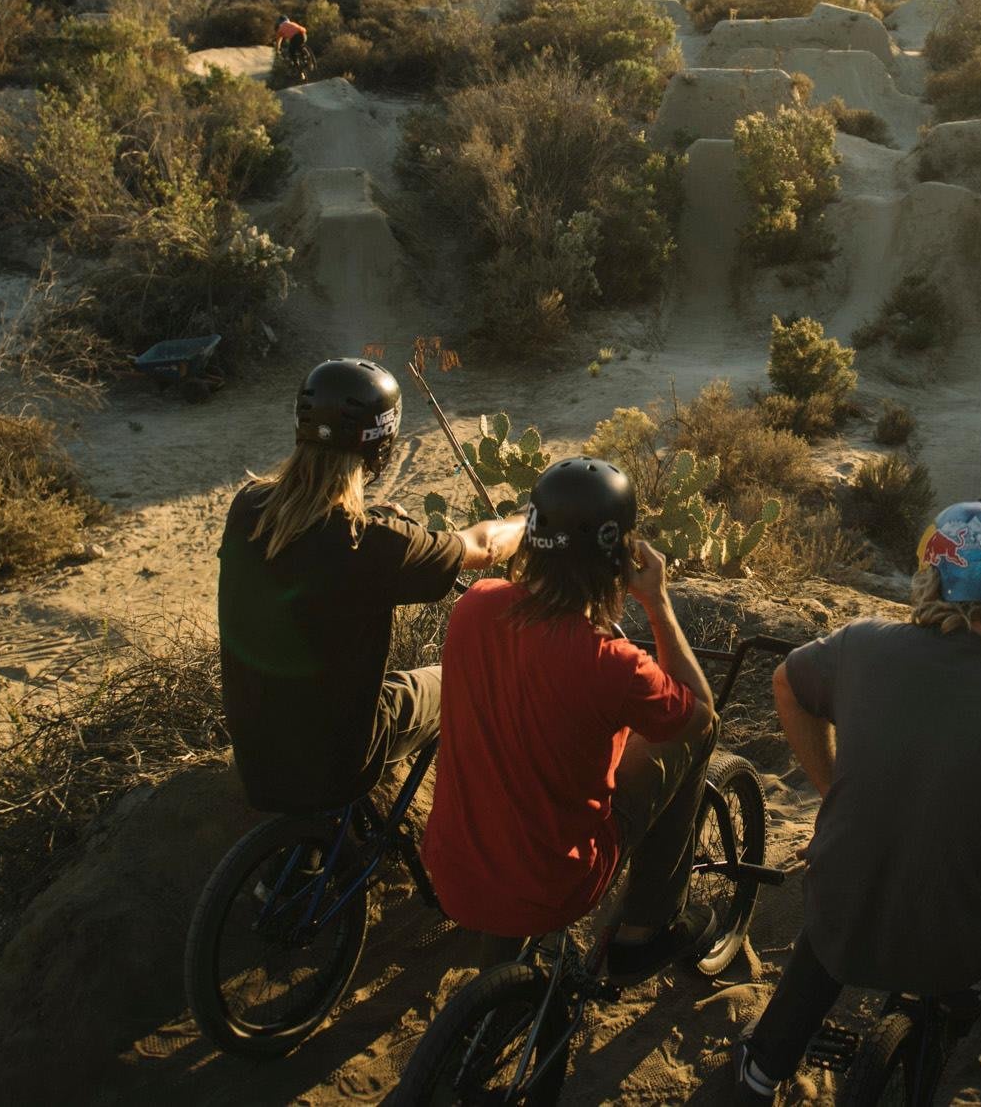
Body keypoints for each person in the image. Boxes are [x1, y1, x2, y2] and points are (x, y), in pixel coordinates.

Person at [735, 499, 981, 1101]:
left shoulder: (860, 646)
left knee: (854, 883)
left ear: (933, 575)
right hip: (958, 949)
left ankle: (764, 1063)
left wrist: (835, 789)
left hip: (835, 912)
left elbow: (786, 681)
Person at [423, 457, 721, 979]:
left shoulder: (475, 605)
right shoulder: (614, 663)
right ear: (621, 557)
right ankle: (646, 930)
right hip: (553, 887)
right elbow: (700, 714)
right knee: (692, 740)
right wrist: (658, 602)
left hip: (451, 870)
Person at [216, 359, 524, 816]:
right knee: (459, 677)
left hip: (259, 762)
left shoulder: (249, 506)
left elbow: (313, 545)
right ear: (382, 444)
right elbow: (484, 545)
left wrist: (374, 518)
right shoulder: (375, 546)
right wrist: (532, 517)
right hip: (338, 766)